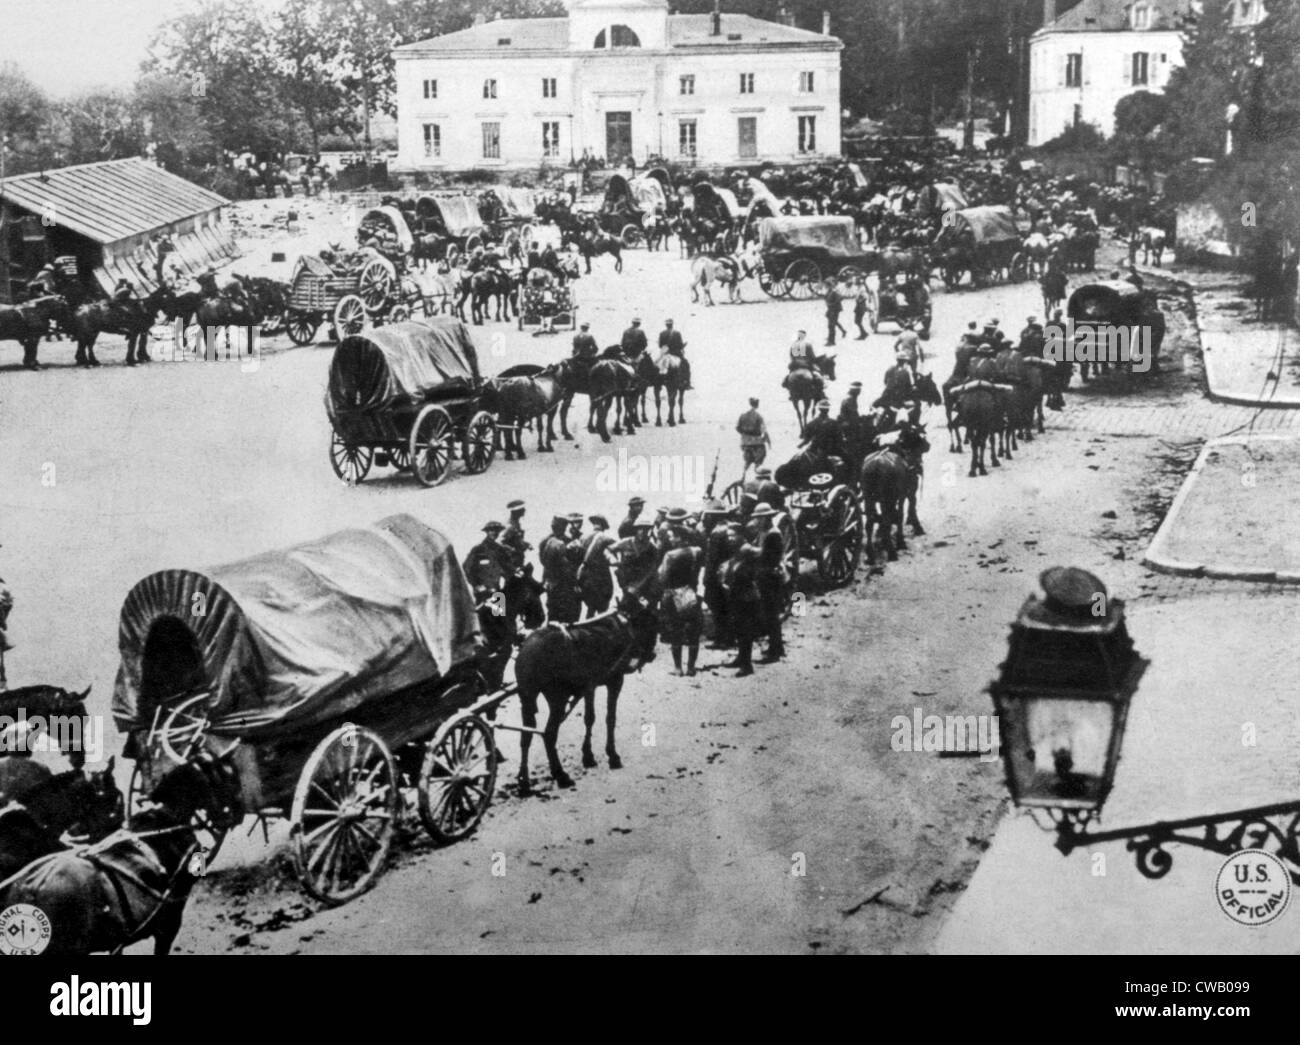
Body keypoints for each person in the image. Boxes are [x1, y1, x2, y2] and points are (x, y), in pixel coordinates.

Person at [658, 527, 703, 676]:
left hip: (673, 595)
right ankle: (691, 667)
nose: (670, 539)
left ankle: (678, 668)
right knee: (693, 632)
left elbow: (662, 578)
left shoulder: (670, 555)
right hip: (691, 594)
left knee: (675, 631)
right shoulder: (697, 551)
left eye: (673, 537)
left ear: (681, 538)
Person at [720, 523, 761, 677]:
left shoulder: (747, 549)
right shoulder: (738, 549)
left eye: (733, 535)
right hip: (738, 594)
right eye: (728, 536)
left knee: (745, 630)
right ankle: (741, 658)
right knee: (739, 628)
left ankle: (747, 665)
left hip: (747, 596)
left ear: (741, 536)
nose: (730, 539)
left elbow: (761, 558)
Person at [752, 505, 786, 663]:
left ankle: (775, 652)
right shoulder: (766, 532)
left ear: (766, 518)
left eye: (759, 518)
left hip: (771, 577)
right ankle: (776, 647)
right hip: (766, 575)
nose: (757, 521)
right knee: (770, 613)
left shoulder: (773, 534)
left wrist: (752, 552)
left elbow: (769, 557)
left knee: (772, 614)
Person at [539, 515, 581, 624]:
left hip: (553, 582)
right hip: (561, 583)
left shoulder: (547, 541)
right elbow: (568, 565)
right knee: (563, 612)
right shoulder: (561, 543)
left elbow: (543, 561)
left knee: (554, 612)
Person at [576, 515, 618, 617]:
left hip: (586, 579)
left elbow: (578, 557)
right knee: (602, 611)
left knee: (590, 609)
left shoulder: (582, 538)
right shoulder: (607, 539)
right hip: (601, 581)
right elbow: (614, 560)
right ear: (604, 526)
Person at [463, 522, 510, 604]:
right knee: (484, 615)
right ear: (487, 532)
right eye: (491, 530)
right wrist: (476, 585)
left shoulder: (500, 550)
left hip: (497, 591)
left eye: (497, 531)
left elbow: (507, 567)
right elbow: (467, 568)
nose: (494, 533)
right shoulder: (478, 549)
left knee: (498, 614)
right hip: (482, 592)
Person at [736, 397, 770, 475]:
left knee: (747, 462)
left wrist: (745, 434)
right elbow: (764, 430)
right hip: (757, 443)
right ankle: (759, 479)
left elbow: (737, 428)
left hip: (745, 442)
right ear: (757, 404)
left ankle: (742, 477)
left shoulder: (742, 415)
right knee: (758, 463)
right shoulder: (758, 415)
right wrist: (767, 440)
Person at [658, 318, 691, 390]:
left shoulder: (662, 333)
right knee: (686, 364)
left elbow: (660, 345)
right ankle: (687, 383)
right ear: (672, 325)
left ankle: (657, 382)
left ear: (666, 325)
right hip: (675, 354)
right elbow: (680, 345)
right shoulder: (677, 333)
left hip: (665, 354)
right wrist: (682, 346)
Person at [501, 499, 530, 571]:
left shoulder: (516, 525)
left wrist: (526, 544)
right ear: (516, 512)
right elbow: (499, 543)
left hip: (518, 561)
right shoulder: (510, 526)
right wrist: (511, 549)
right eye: (522, 509)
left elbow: (516, 540)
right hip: (512, 563)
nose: (524, 510)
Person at [824, 282, 845, 346]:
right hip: (831, 309)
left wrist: (833, 304)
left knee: (831, 325)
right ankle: (831, 338)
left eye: (826, 285)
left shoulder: (834, 291)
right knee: (831, 325)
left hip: (834, 310)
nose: (825, 287)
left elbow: (841, 298)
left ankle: (832, 341)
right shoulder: (829, 291)